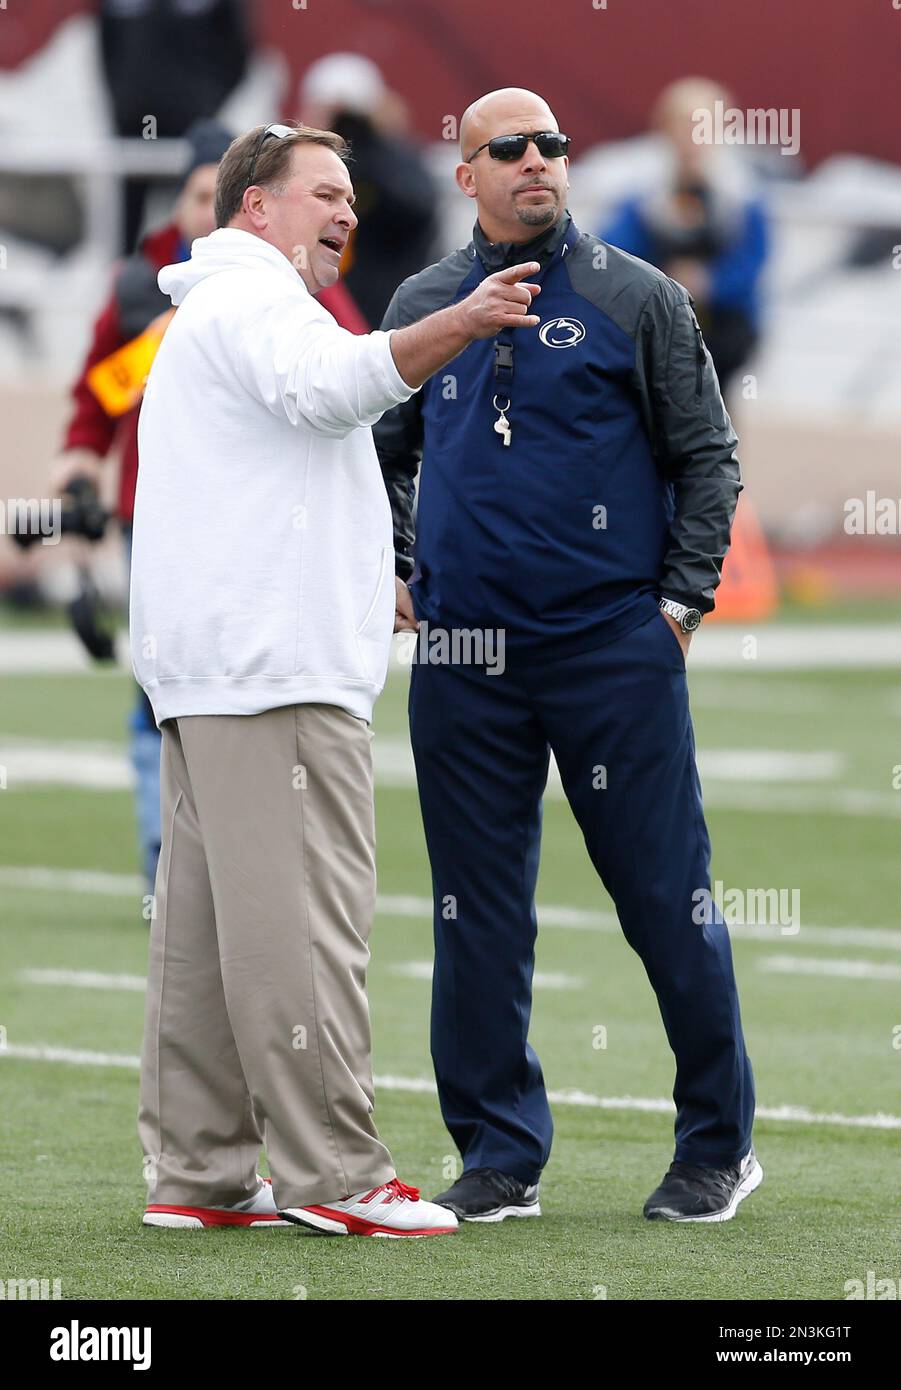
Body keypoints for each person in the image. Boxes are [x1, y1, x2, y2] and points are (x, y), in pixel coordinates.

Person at [130, 120, 543, 1236]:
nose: (347, 212)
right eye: (323, 192)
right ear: (254, 208)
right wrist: (456, 322)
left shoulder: (210, 306)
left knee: (208, 939)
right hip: (272, 673)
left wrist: (372, 575)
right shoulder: (259, 301)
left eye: (351, 196)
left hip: (219, 668)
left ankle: (201, 1170)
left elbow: (278, 468)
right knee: (304, 925)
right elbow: (329, 392)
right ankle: (337, 1172)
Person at [374, 88, 762, 1224]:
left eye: (553, 144)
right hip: (461, 652)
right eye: (511, 147)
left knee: (663, 899)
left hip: (607, 645)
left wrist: (679, 608)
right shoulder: (426, 300)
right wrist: (398, 563)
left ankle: (716, 1145)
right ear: (467, 174)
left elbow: (707, 458)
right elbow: (376, 453)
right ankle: (498, 1149)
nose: (539, 160)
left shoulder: (631, 296)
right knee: (475, 909)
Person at [51, 120, 370, 894]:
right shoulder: (145, 286)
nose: (202, 210)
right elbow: (96, 397)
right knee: (158, 686)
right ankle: (166, 854)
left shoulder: (288, 285)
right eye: (194, 195)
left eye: (209, 193)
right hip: (155, 513)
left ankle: (197, 859)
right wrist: (76, 499)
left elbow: (348, 363)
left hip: (254, 530)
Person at [600, 78, 769, 396]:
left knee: (714, 400)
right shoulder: (646, 195)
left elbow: (752, 262)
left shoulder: (741, 197)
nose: (693, 139)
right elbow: (613, 251)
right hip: (657, 319)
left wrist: (710, 282)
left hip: (723, 326)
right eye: (684, 126)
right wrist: (662, 280)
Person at [298, 53, 437, 327]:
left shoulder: (397, 165)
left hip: (383, 313)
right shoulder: (294, 168)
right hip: (317, 316)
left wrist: (371, 149)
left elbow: (417, 209)